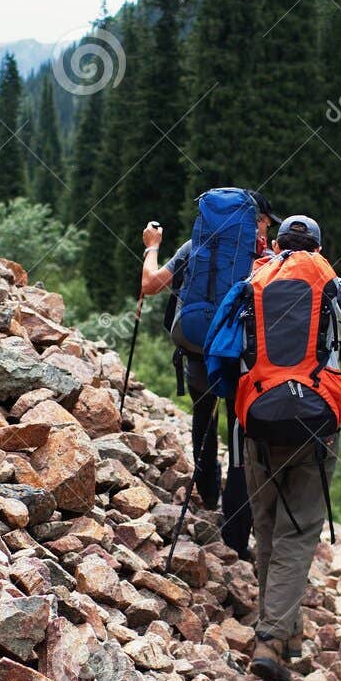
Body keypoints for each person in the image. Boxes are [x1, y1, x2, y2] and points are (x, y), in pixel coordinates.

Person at [208, 213, 341, 681]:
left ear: (279, 245)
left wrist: (234, 405)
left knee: (267, 527)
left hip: (258, 422)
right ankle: (269, 640)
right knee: (299, 530)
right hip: (317, 424)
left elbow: (222, 352)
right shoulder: (335, 288)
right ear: (320, 249)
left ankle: (287, 639)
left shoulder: (251, 282)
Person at [141, 192, 273, 509]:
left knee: (203, 418)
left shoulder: (197, 248)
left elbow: (150, 285)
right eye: (268, 223)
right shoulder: (265, 260)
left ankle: (208, 495)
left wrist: (152, 247)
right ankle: (236, 516)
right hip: (240, 358)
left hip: (198, 349)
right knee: (242, 429)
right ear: (256, 223)